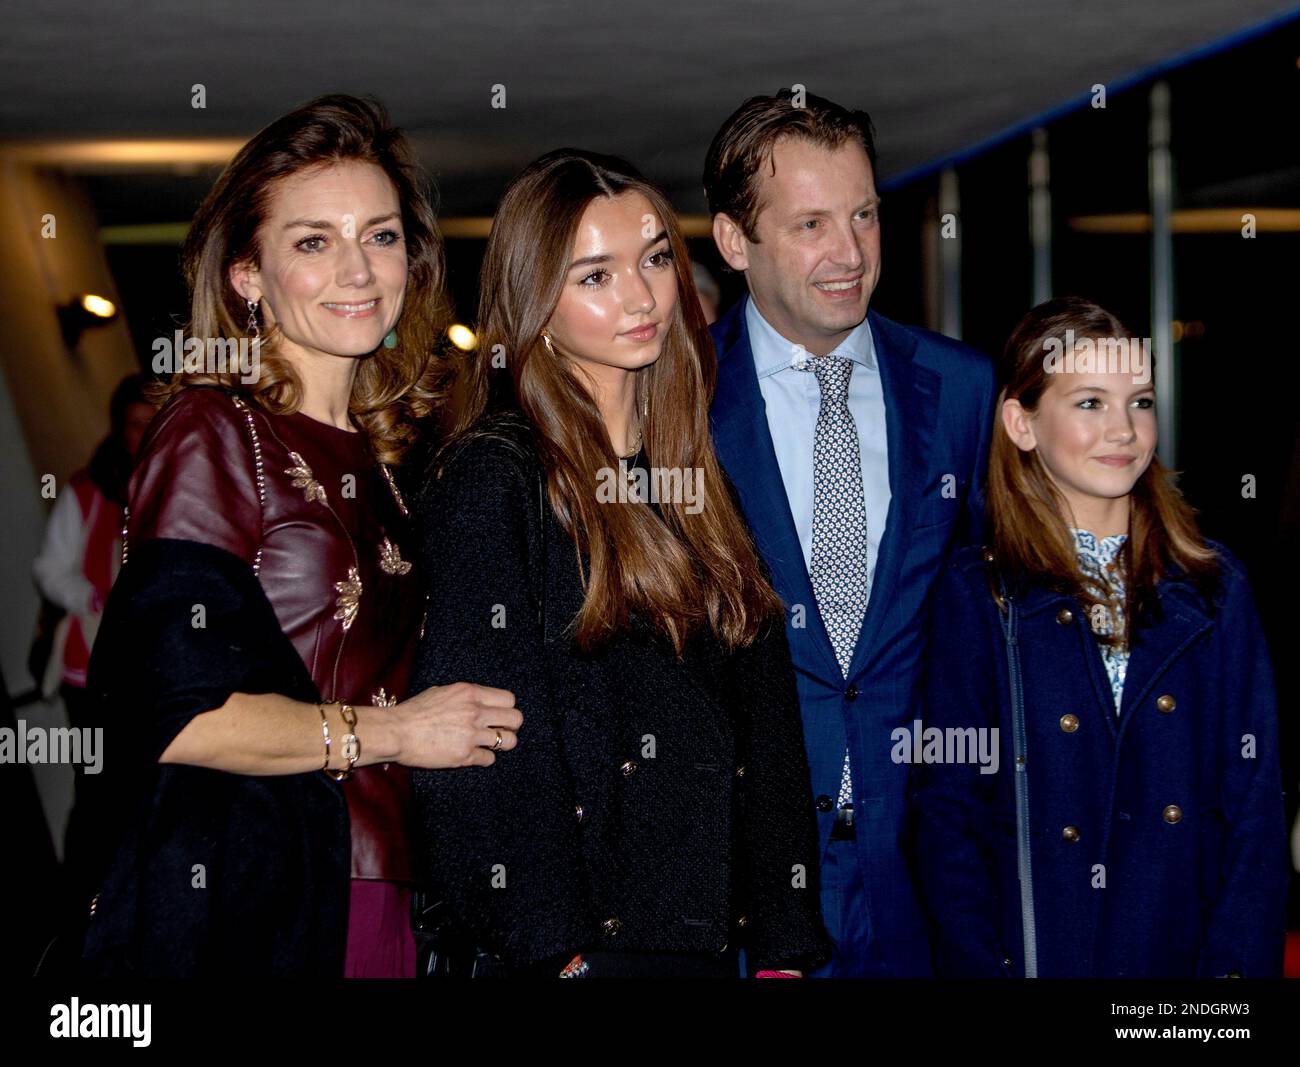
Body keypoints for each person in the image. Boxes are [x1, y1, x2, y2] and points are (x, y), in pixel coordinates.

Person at [80, 94, 521, 978]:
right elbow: (175, 715)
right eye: (314, 241)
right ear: (248, 274)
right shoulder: (212, 428)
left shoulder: (391, 457)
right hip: (261, 896)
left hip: (394, 892)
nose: (358, 270)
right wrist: (396, 735)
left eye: (382, 235)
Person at [410, 148, 830, 978]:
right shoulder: (497, 473)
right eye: (595, 277)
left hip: (696, 940)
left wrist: (783, 942)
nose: (641, 298)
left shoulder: (692, 473)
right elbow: (477, 734)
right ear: (535, 301)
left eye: (655, 260)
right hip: (572, 947)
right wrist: (550, 948)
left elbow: (764, 722)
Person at [703, 89, 994, 976]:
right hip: (742, 878)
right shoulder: (675, 401)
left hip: (924, 868)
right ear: (732, 241)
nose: (851, 253)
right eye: (812, 225)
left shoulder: (959, 391)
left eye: (863, 214)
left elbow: (991, 612)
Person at [914, 297, 1288, 977]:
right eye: (1090, 402)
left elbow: (1256, 812)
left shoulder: (1211, 584)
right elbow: (949, 816)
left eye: (1139, 401)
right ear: (1020, 422)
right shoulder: (980, 593)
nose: (1124, 429)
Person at [32, 373, 152, 916]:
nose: (145, 433)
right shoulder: (88, 489)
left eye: (155, 422)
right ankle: (78, 909)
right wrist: (96, 596)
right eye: (135, 424)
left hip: (154, 673)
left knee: (150, 790)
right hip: (93, 676)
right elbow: (49, 569)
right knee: (98, 793)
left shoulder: (173, 483)